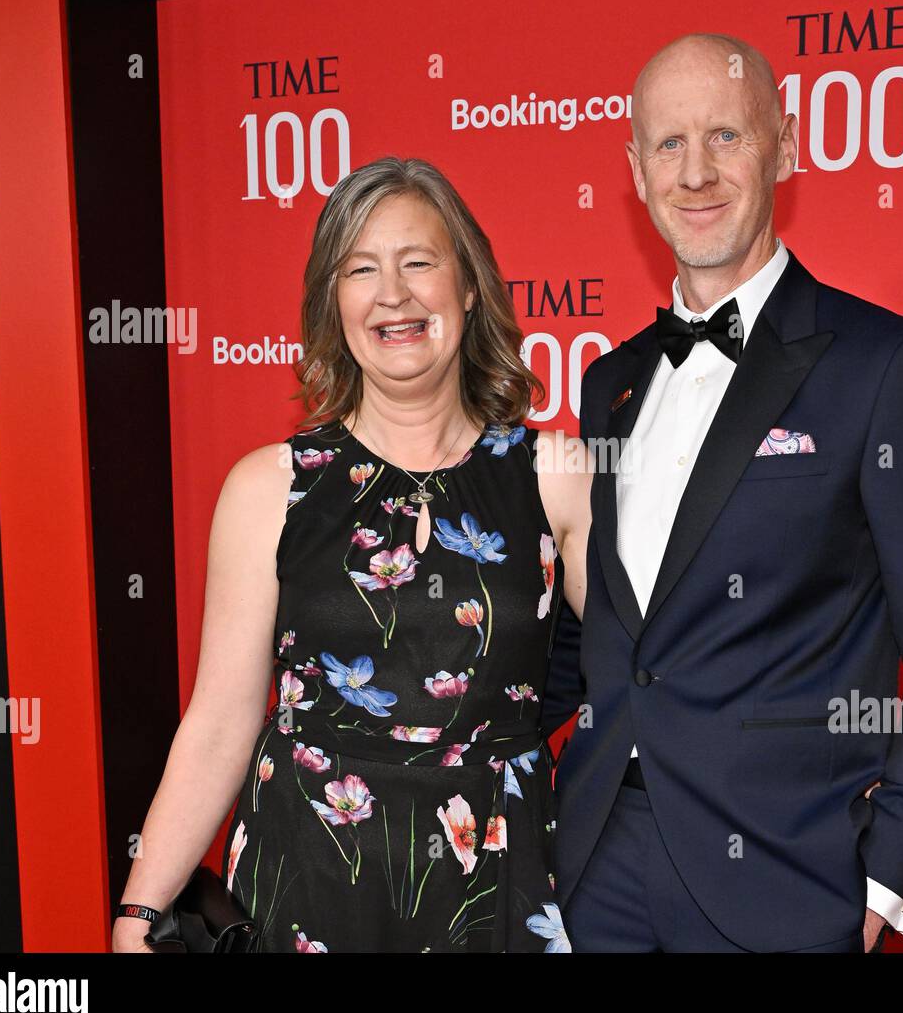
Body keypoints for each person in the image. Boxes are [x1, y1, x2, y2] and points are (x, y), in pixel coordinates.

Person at [543, 33, 903, 952]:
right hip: (597, 862)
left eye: (727, 136)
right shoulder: (609, 382)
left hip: (785, 879)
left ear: (784, 147)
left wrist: (884, 881)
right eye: (669, 144)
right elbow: (601, 633)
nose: (696, 172)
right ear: (634, 171)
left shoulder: (889, 367)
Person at [113, 157, 591, 953]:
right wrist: (140, 912)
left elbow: (649, 680)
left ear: (470, 288)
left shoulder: (558, 475)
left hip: (498, 885)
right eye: (361, 269)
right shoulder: (270, 487)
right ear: (334, 305)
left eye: (419, 262)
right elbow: (221, 720)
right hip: (305, 882)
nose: (392, 293)